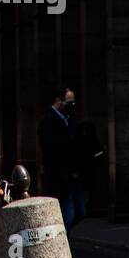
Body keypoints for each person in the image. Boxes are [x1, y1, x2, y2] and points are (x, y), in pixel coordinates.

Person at [37, 86, 85, 230]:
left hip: (73, 175)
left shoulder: (70, 119)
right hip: (59, 176)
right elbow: (51, 148)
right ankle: (61, 243)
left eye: (73, 102)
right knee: (68, 215)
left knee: (81, 212)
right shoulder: (48, 121)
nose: (72, 106)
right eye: (69, 102)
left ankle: (62, 237)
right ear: (59, 101)